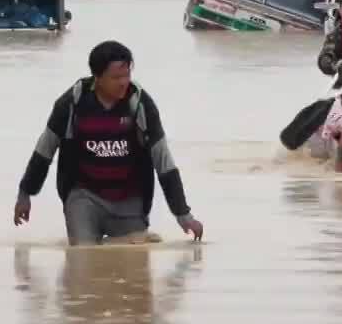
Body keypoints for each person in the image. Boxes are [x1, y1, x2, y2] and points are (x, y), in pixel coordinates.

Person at [15, 40, 205, 246]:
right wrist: (25, 193)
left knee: (132, 267)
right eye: (116, 77)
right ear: (97, 78)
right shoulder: (72, 103)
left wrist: (183, 214)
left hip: (130, 200)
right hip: (84, 197)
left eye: (127, 75)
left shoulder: (140, 104)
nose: (124, 82)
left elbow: (164, 162)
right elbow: (45, 151)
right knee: (82, 257)